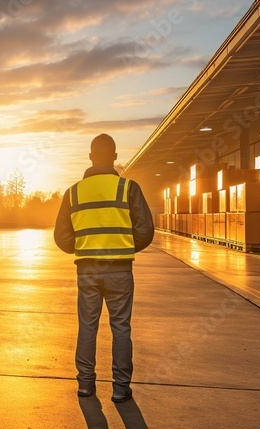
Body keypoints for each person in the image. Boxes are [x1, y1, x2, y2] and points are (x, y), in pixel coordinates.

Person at [53, 133, 154, 403]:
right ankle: (121, 389)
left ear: (89, 158)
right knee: (121, 327)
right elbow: (145, 231)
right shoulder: (128, 187)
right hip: (120, 270)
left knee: (87, 326)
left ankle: (85, 385)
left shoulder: (73, 192)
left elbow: (62, 238)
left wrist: (86, 246)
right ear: (115, 158)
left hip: (87, 269)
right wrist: (123, 247)